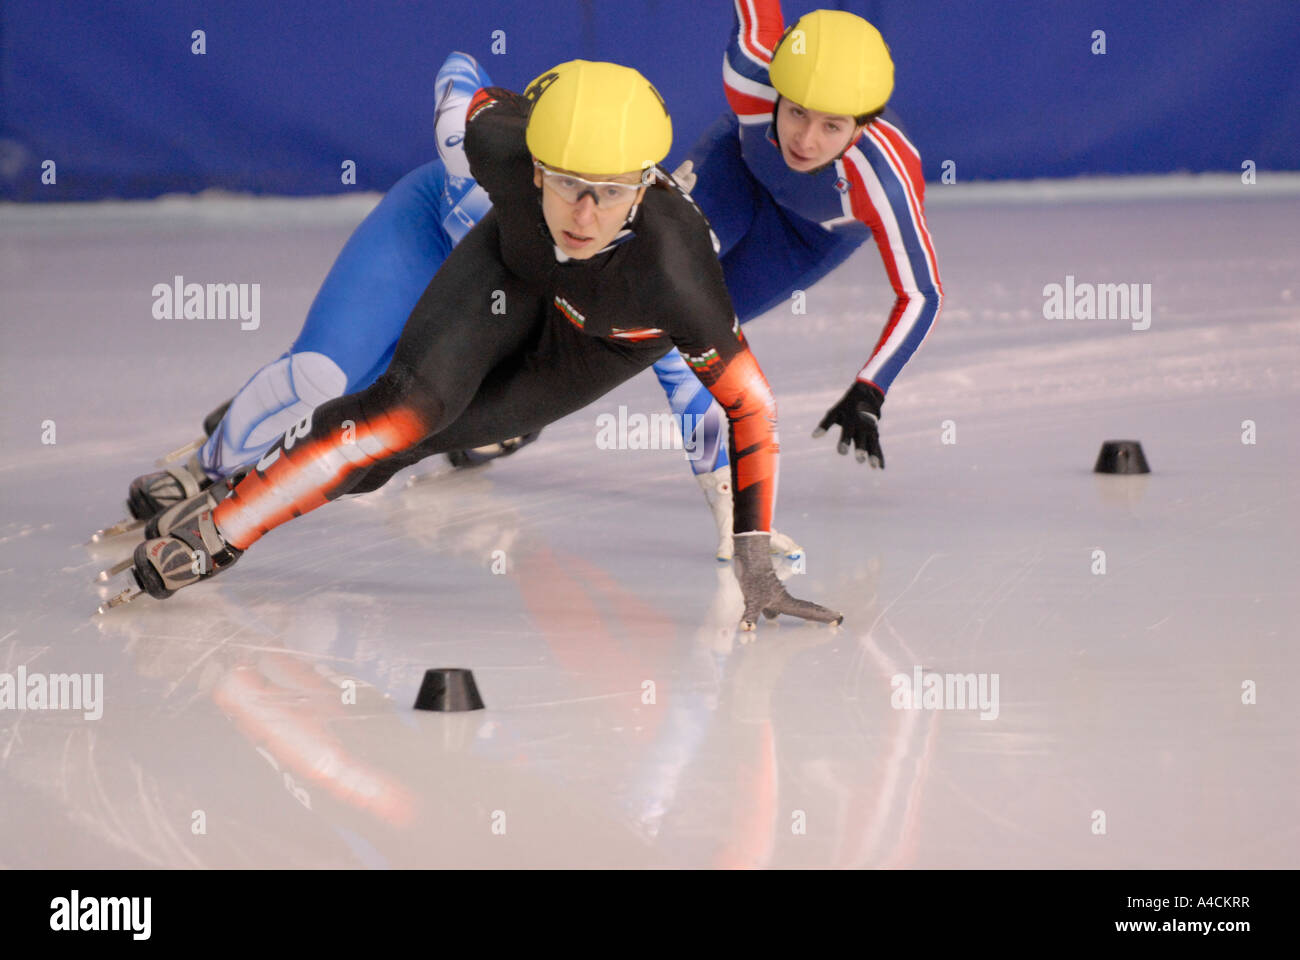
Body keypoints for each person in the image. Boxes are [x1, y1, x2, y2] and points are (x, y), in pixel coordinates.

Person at [111, 60, 841, 631]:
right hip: (511, 270)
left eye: (613, 192)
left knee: (402, 453)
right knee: (400, 415)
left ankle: (241, 483)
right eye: (567, 184)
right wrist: (220, 537)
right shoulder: (501, 142)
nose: (586, 215)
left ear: (646, 187)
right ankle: (216, 531)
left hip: (597, 344)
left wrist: (755, 564)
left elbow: (749, 408)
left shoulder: (677, 275)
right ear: (534, 166)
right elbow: (471, 89)